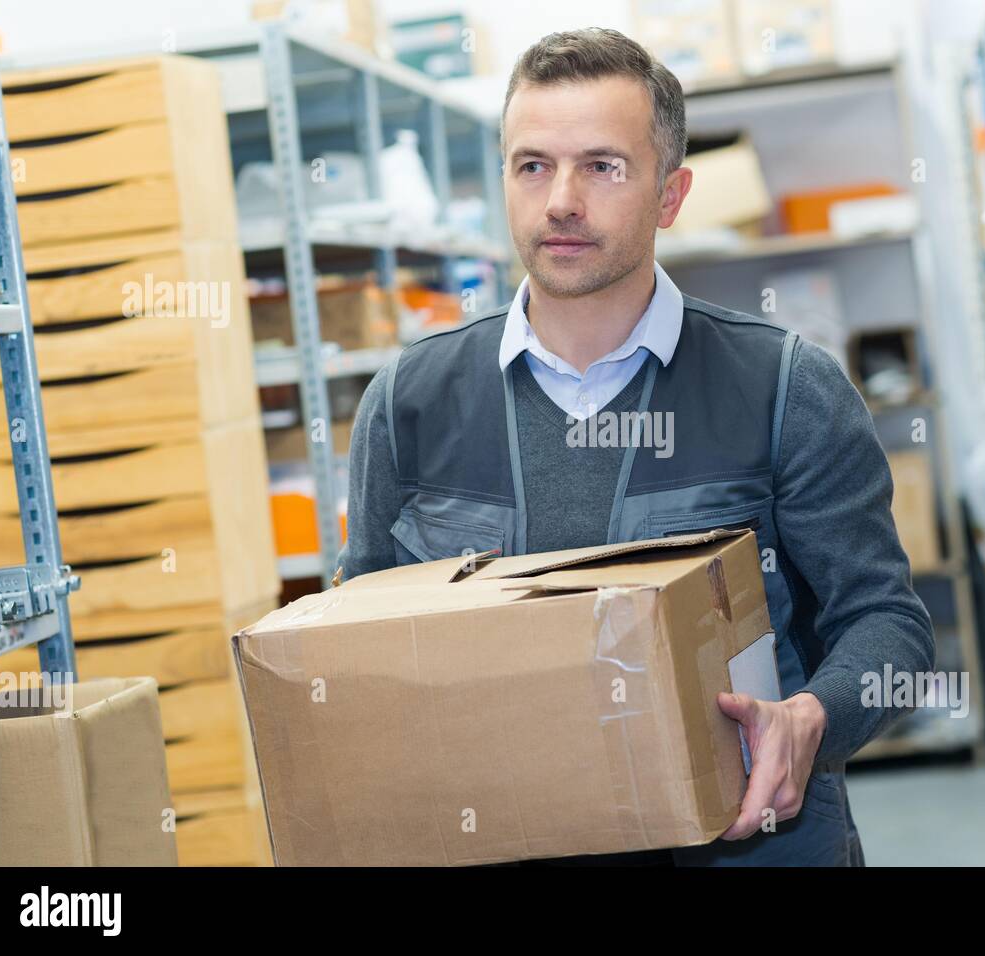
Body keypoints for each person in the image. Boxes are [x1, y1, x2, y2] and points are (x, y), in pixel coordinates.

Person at [337, 27, 934, 866]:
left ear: (671, 194)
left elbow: (886, 624)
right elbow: (356, 641)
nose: (561, 201)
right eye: (532, 165)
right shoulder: (409, 404)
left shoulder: (783, 388)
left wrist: (812, 720)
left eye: (603, 166)